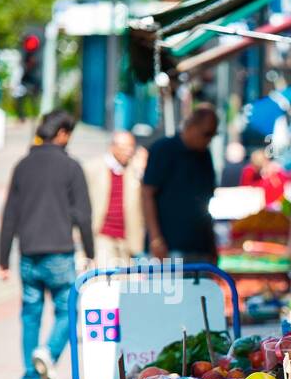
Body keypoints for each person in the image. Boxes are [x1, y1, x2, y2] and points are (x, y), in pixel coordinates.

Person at [0, 110, 93, 379]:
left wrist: (2, 260)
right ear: (62, 133)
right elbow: (83, 215)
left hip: (28, 254)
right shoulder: (71, 167)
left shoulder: (22, 166)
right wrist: (90, 252)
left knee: (30, 316)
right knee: (68, 310)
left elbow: (9, 216)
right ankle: (48, 353)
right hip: (60, 254)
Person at [142, 104, 219, 265]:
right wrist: (156, 239)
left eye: (213, 135)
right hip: (168, 248)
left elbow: (205, 205)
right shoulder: (163, 149)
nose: (209, 139)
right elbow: (147, 193)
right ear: (192, 126)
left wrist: (212, 246)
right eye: (206, 134)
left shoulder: (205, 157)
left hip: (199, 249)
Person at [84, 129, 144, 267]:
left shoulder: (135, 169)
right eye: (125, 147)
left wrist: (141, 171)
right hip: (102, 236)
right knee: (105, 282)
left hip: (128, 239)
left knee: (127, 285)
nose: (129, 151)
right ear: (113, 147)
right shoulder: (93, 167)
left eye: (132, 147)